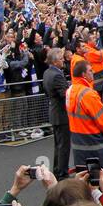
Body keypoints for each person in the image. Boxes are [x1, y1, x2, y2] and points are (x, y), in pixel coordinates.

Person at [66, 58, 103, 173]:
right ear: (83, 74)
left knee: (84, 182)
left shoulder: (70, 90)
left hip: (78, 142)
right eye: (90, 71)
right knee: (98, 182)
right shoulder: (88, 94)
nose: (93, 72)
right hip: (93, 142)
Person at [43, 47, 71, 175]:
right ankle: (62, 173)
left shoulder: (47, 73)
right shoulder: (56, 75)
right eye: (60, 59)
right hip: (61, 114)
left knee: (58, 145)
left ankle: (57, 170)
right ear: (54, 62)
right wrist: (71, 89)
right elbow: (64, 94)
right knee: (63, 146)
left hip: (55, 112)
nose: (63, 61)